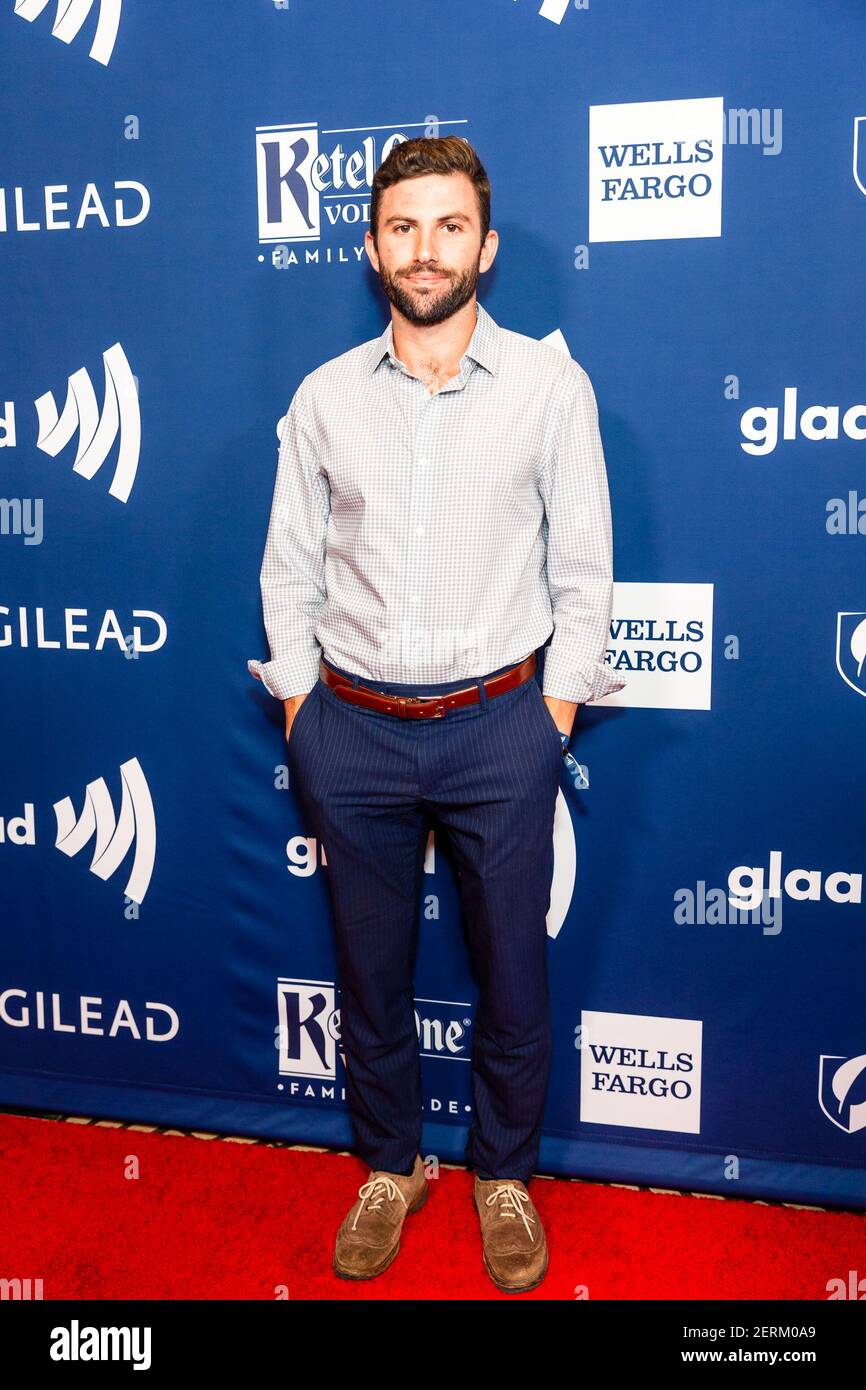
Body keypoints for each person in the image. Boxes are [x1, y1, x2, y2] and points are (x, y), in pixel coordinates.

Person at [248, 134, 624, 1293]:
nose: (425, 248)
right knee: (369, 971)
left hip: (500, 727)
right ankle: (389, 1164)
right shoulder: (321, 399)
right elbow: (288, 571)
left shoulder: (552, 390)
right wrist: (305, 709)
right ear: (371, 248)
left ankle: (500, 1174)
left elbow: (585, 571)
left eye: (448, 225)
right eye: (403, 226)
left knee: (512, 969)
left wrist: (549, 713)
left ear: (486, 245)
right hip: (349, 731)